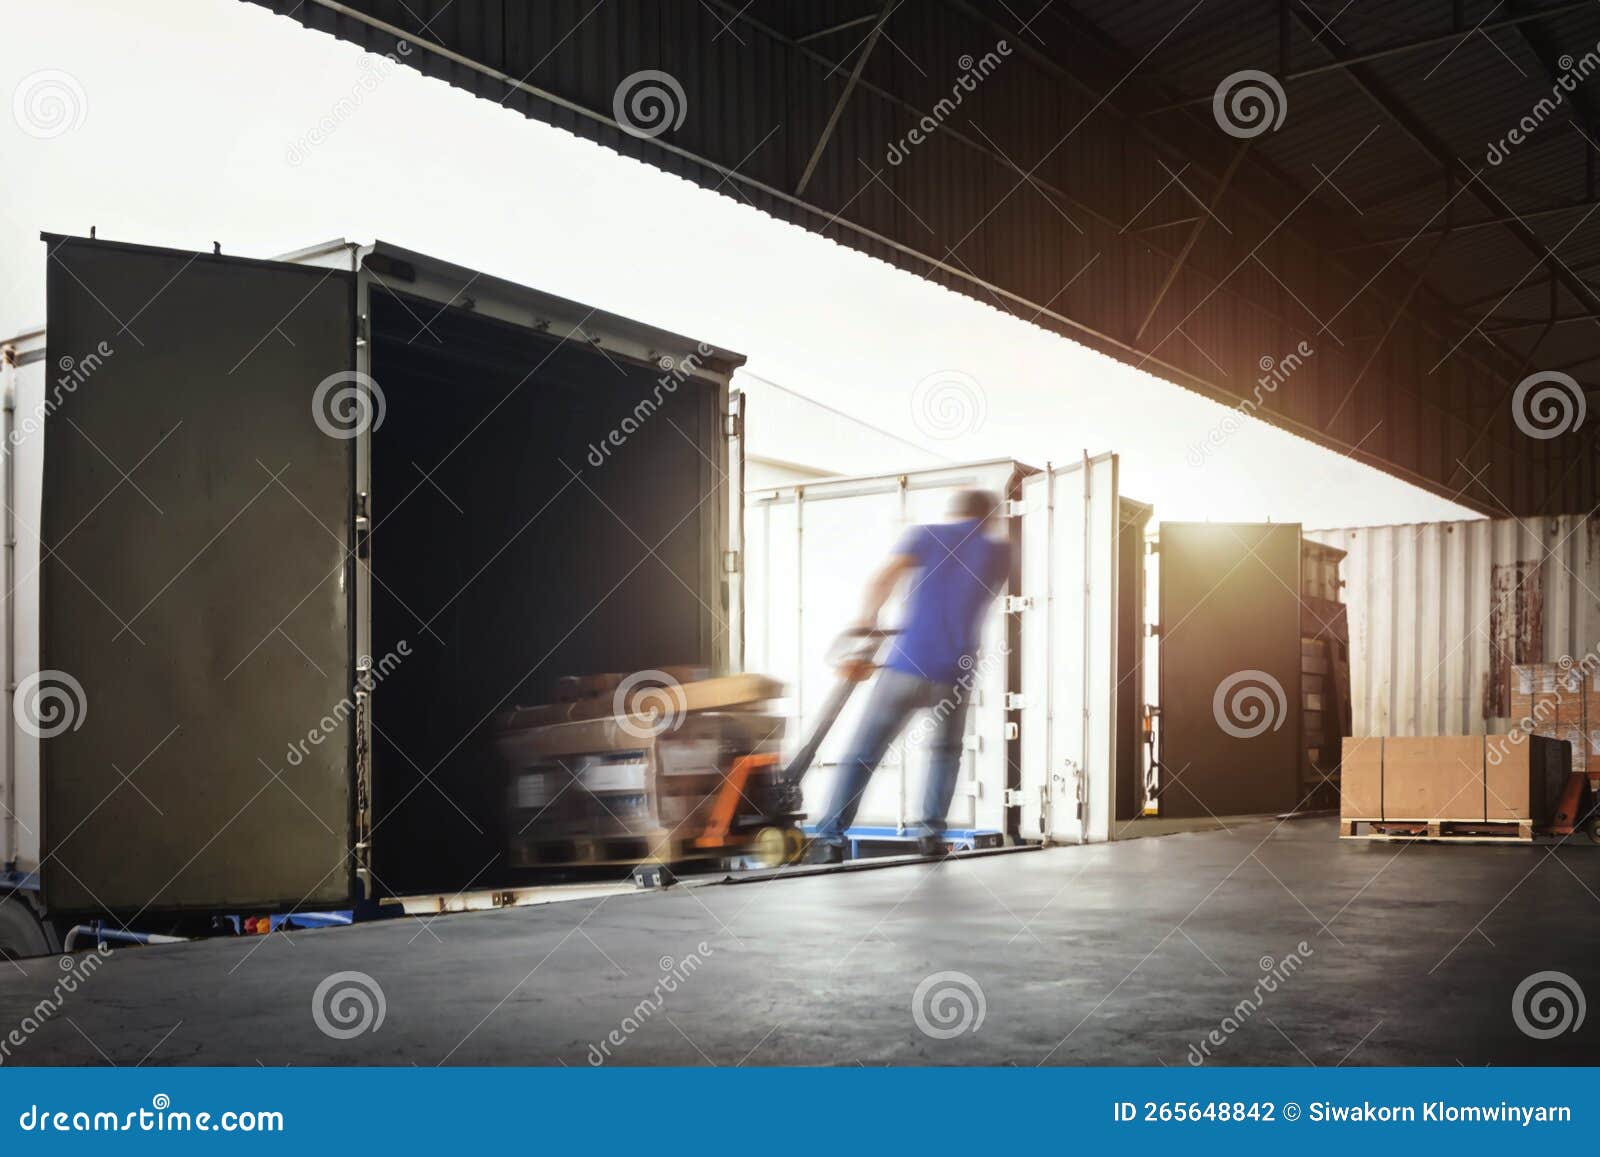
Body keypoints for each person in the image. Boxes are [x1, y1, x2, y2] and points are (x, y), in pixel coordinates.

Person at [809, 488, 1010, 863]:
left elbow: (882, 580)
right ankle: (931, 835)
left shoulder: (926, 535)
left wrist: (866, 620)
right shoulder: (1000, 553)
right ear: (990, 518)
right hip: (955, 671)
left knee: (864, 753)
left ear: (956, 511)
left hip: (908, 662)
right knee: (944, 753)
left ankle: (831, 836)